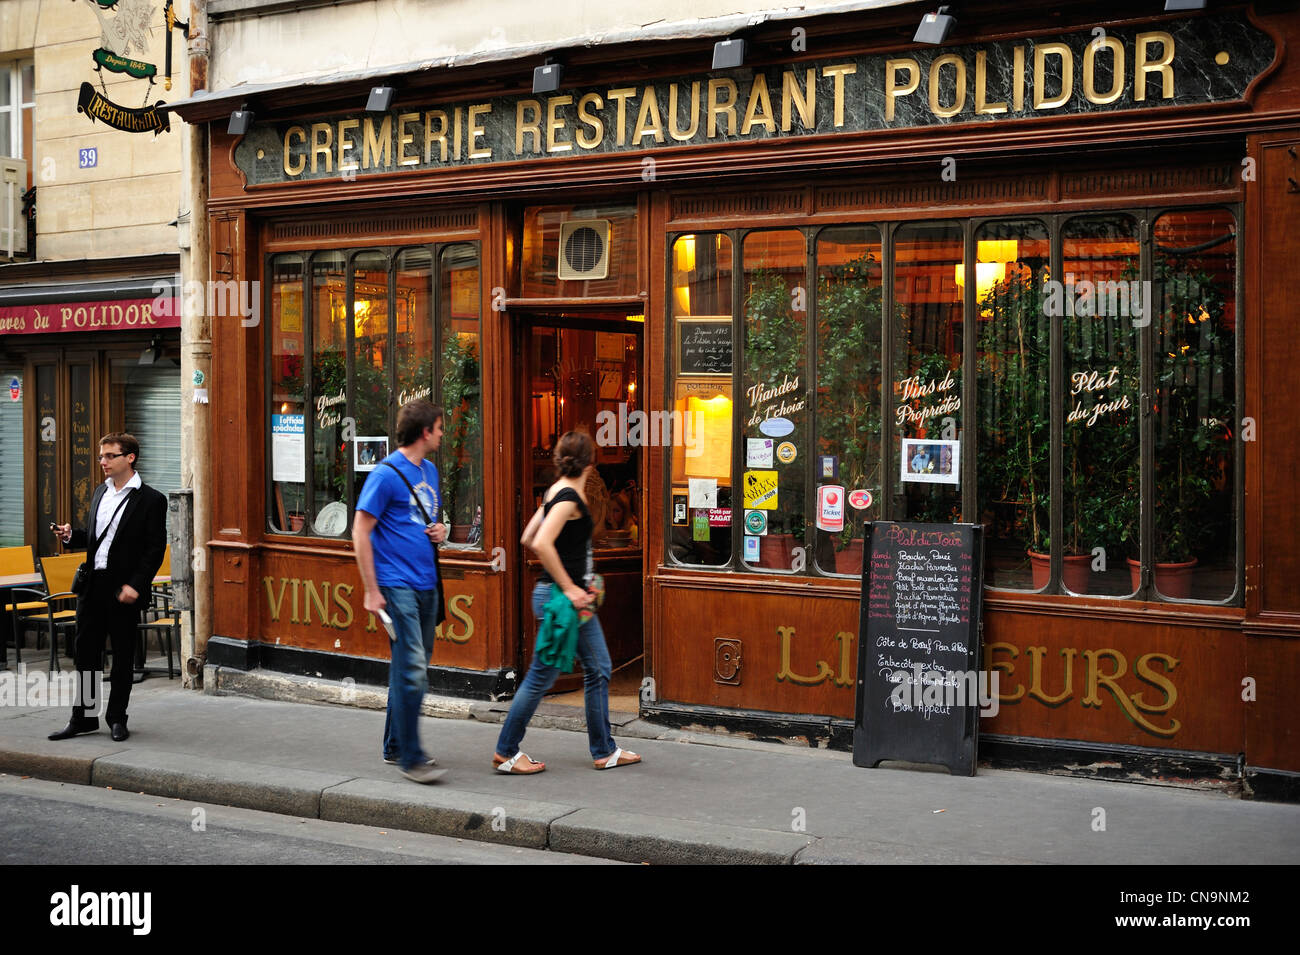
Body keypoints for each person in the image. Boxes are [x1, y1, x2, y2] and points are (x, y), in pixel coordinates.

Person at [493, 431, 641, 774]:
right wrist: (571, 587)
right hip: (563, 602)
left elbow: (529, 536)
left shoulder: (555, 492)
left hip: (565, 601)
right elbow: (541, 542)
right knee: (541, 678)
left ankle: (604, 750)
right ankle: (506, 751)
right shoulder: (569, 498)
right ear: (592, 461)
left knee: (598, 668)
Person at [353, 400, 449, 784]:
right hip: (397, 585)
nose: (443, 433)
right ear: (425, 431)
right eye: (440, 427)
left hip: (428, 583)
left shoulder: (430, 471)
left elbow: (428, 519)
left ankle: (395, 745)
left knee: (412, 666)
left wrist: (440, 530)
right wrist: (371, 590)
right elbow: (360, 531)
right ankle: (412, 756)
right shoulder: (386, 474)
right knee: (413, 669)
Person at [48, 432, 167, 743]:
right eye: (101, 456)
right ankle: (83, 718)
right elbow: (98, 538)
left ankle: (117, 718)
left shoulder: (152, 500)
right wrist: (72, 536)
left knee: (123, 656)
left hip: (123, 590)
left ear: (130, 458)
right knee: (85, 654)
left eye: (110, 456)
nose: (102, 461)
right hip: (93, 586)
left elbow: (154, 548)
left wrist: (136, 586)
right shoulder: (101, 492)